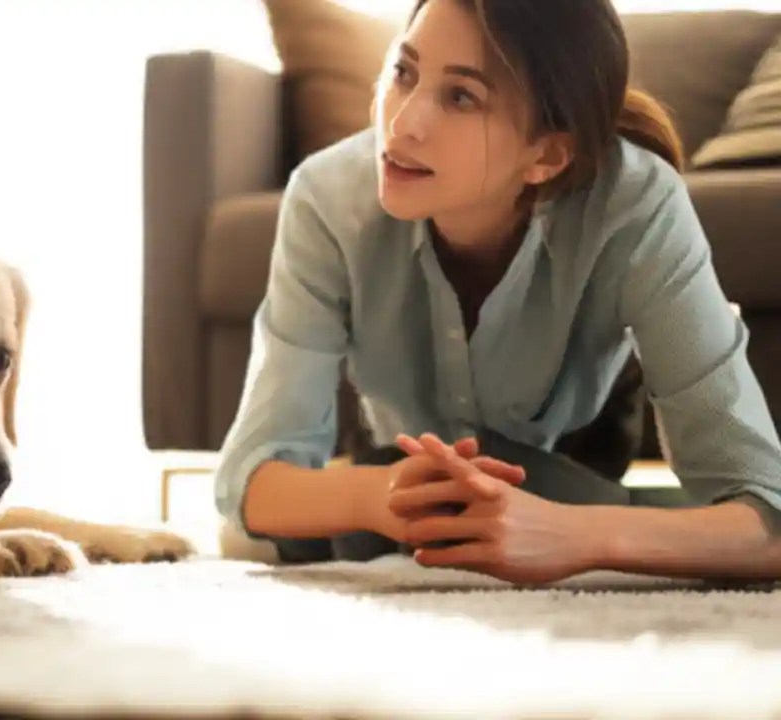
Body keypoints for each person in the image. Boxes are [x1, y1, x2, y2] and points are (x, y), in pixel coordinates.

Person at [213, 0, 781, 584]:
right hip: (403, 467)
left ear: (547, 154)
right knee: (261, 537)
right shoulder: (327, 199)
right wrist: (378, 494)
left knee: (573, 493)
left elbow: (767, 516)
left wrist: (577, 534)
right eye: (403, 72)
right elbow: (249, 483)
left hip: (577, 457)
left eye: (461, 97)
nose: (402, 123)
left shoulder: (637, 204)